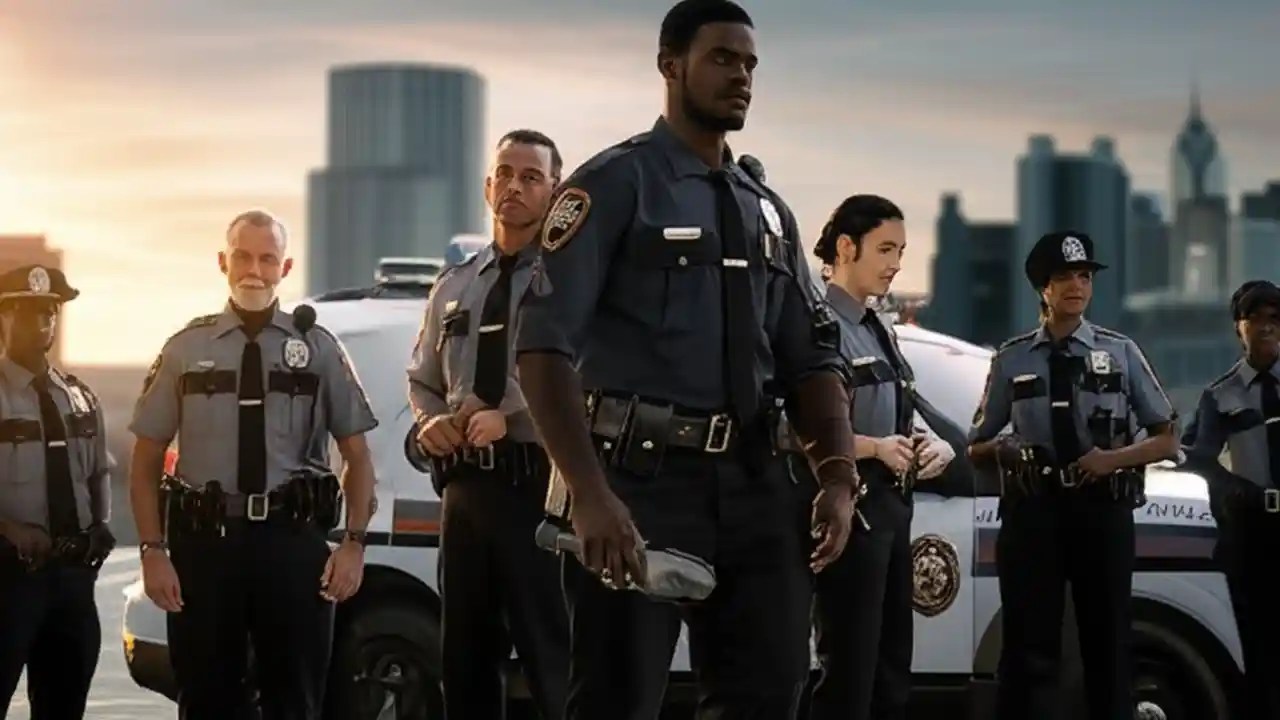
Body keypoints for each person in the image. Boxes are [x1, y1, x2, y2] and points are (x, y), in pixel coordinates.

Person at [513, 1, 863, 718]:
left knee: (768, 694)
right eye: (723, 59)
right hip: (640, 486)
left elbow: (810, 354)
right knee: (616, 698)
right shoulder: (612, 186)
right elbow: (542, 348)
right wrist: (589, 493)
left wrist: (837, 475)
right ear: (671, 66)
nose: (742, 77)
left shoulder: (768, 209)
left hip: (759, 487)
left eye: (751, 64)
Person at [128, 210, 379, 720]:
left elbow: (357, 456)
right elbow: (145, 458)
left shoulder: (317, 348)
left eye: (267, 258)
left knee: (296, 700)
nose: (254, 269)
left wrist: (353, 544)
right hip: (205, 549)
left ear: (285, 268)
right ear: (223, 261)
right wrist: (153, 551)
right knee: (205, 699)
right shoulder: (185, 348)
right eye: (242, 256)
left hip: (292, 546)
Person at [966, 231, 1177, 720]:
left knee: (1108, 644)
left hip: (1101, 509)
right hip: (1033, 511)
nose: (1077, 287)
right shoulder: (1012, 358)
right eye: (1064, 278)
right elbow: (975, 444)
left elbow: (1167, 437)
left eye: (1084, 277)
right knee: (1026, 648)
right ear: (1043, 288)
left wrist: (1112, 459)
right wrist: (1003, 448)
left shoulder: (1120, 352)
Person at [406, 129, 570, 720]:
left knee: (557, 664)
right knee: (465, 666)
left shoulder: (567, 282)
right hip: (466, 496)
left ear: (555, 192)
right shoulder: (453, 286)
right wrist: (429, 423)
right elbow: (422, 378)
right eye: (504, 174)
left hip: (543, 492)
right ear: (486, 186)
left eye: (531, 177)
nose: (514, 187)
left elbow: (590, 376)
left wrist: (514, 417)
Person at [790, 196, 959, 720]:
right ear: (845, 247)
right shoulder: (816, 325)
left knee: (890, 672)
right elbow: (789, 427)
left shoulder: (876, 328)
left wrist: (933, 442)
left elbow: (902, 404)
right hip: (848, 510)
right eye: (885, 248)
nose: (896, 263)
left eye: (901, 251)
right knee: (848, 672)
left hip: (890, 513)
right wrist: (874, 449)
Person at [0, 264, 115, 719]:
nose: (42, 323)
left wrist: (101, 528)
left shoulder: (78, 396)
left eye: (50, 312)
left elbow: (98, 475)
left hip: (72, 584)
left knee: (64, 709)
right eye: (28, 312)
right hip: (8, 581)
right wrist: (8, 529)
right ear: (4, 317)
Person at [1181, 279, 1280, 718]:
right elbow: (1197, 459)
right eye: (1254, 318)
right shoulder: (1220, 396)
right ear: (1238, 328)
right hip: (1252, 535)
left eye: (1274, 318)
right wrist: (1234, 492)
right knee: (1256, 651)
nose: (1265, 327)